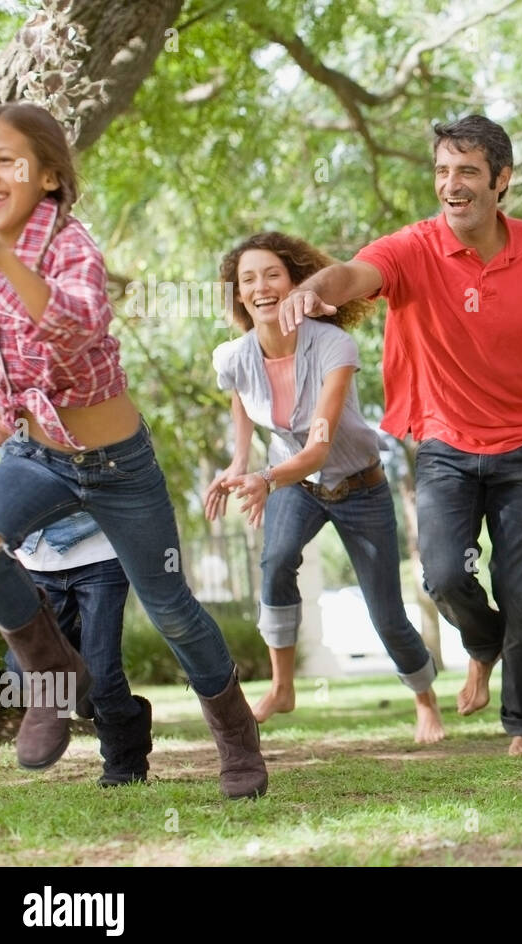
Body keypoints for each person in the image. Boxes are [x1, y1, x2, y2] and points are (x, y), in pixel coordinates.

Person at [0, 102, 265, 798]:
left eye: (5, 160)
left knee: (170, 609)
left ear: (46, 177)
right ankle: (51, 674)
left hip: (117, 465)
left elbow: (74, 328)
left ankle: (235, 733)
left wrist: (3, 257)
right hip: (37, 456)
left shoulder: (71, 246)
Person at [276, 115, 522, 755]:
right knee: (444, 575)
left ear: (501, 180)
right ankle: (484, 642)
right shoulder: (413, 248)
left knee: (518, 587)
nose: (452, 184)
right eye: (443, 171)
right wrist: (312, 289)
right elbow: (353, 275)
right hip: (444, 439)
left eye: (468, 171)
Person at [209, 232, 444, 742]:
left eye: (273, 274)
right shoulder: (233, 358)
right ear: (238, 295)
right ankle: (283, 687)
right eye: (247, 279)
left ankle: (424, 697)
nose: (261, 287)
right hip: (299, 486)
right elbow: (242, 405)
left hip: (358, 485)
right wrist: (238, 461)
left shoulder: (333, 345)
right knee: (275, 561)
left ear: (296, 282)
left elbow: (316, 447)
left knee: (385, 614)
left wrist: (265, 479)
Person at [0, 388, 151, 786]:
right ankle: (80, 684)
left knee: (103, 674)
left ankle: (125, 763)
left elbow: (123, 464)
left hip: (100, 554)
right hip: (35, 560)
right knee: (23, 669)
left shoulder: (89, 393)